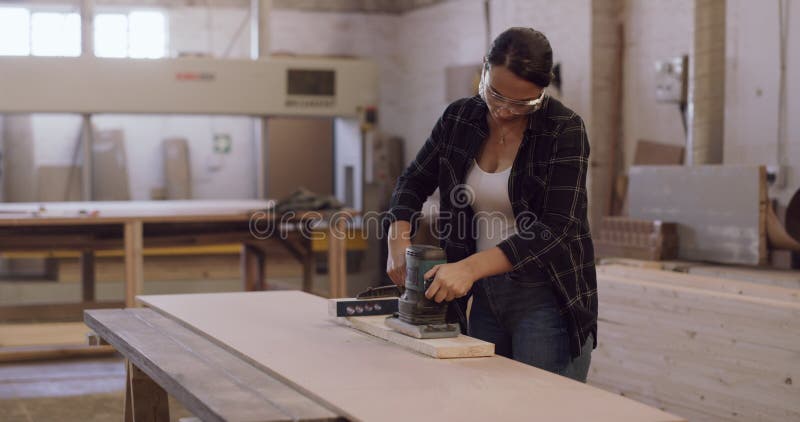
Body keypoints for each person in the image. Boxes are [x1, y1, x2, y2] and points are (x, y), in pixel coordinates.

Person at [385, 27, 597, 382]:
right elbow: (413, 181)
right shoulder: (459, 119)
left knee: (540, 408)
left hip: (546, 298)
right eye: (495, 94)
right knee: (483, 403)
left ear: (542, 91)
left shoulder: (564, 130)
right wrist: (397, 240)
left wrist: (468, 268)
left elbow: (556, 228)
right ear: (484, 69)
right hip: (485, 296)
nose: (503, 111)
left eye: (521, 104)